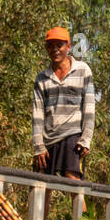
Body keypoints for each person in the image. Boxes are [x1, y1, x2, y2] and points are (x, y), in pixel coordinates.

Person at [32, 27, 95, 183]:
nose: (55, 50)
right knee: (42, 184)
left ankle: (84, 209)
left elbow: (89, 107)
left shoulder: (82, 70)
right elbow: (37, 114)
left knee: (73, 178)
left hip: (72, 135)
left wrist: (86, 138)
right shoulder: (42, 78)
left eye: (59, 45)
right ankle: (39, 209)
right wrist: (38, 145)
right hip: (48, 139)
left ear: (69, 46)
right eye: (50, 46)